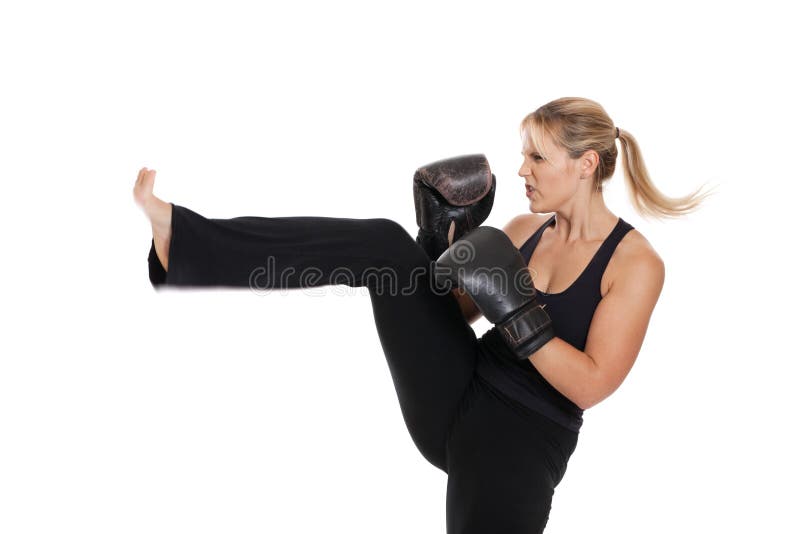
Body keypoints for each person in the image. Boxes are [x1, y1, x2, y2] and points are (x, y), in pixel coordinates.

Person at [133, 96, 711, 533]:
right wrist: (437, 251)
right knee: (385, 246)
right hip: (455, 389)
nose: (521, 171)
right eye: (523, 156)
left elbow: (592, 383)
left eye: (537, 156)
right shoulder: (520, 231)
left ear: (586, 164)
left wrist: (518, 313)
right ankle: (184, 242)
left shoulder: (635, 264)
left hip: (521, 437)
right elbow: (454, 316)